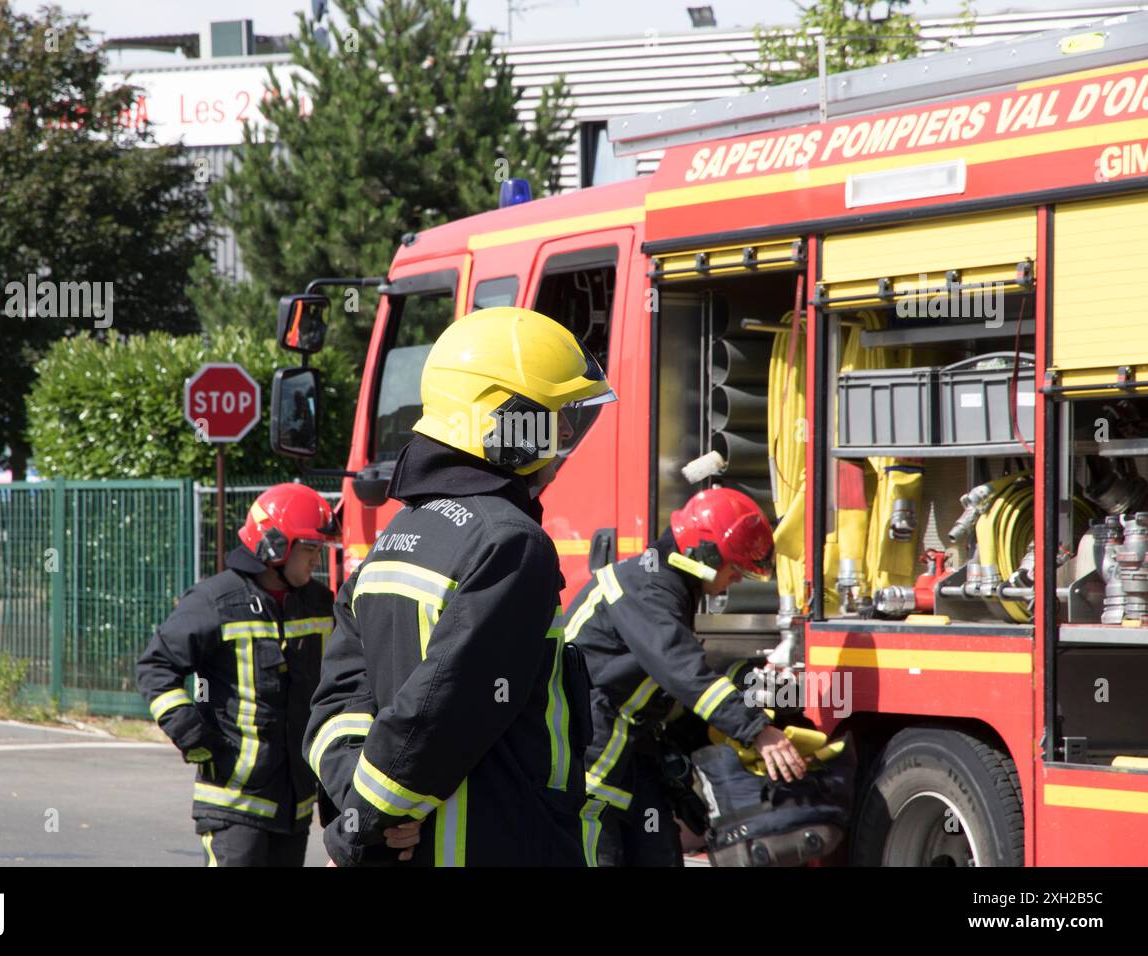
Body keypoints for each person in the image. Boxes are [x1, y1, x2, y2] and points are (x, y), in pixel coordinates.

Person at [305, 306, 615, 866]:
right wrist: (365, 825)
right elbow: (440, 709)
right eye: (554, 414)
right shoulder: (511, 543)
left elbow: (339, 702)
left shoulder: (398, 535)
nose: (568, 431)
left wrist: (359, 811)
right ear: (504, 419)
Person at [566, 486, 808, 866]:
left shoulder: (666, 587)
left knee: (660, 850)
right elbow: (682, 669)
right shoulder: (646, 586)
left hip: (627, 750)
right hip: (587, 758)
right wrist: (756, 731)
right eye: (736, 568)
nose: (737, 580)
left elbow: (664, 686)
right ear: (706, 555)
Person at [137, 483, 339, 866]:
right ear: (275, 547)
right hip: (233, 803)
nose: (318, 560)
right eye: (311, 548)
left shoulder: (318, 603)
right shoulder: (215, 601)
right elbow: (155, 667)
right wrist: (191, 732)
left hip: (295, 805)